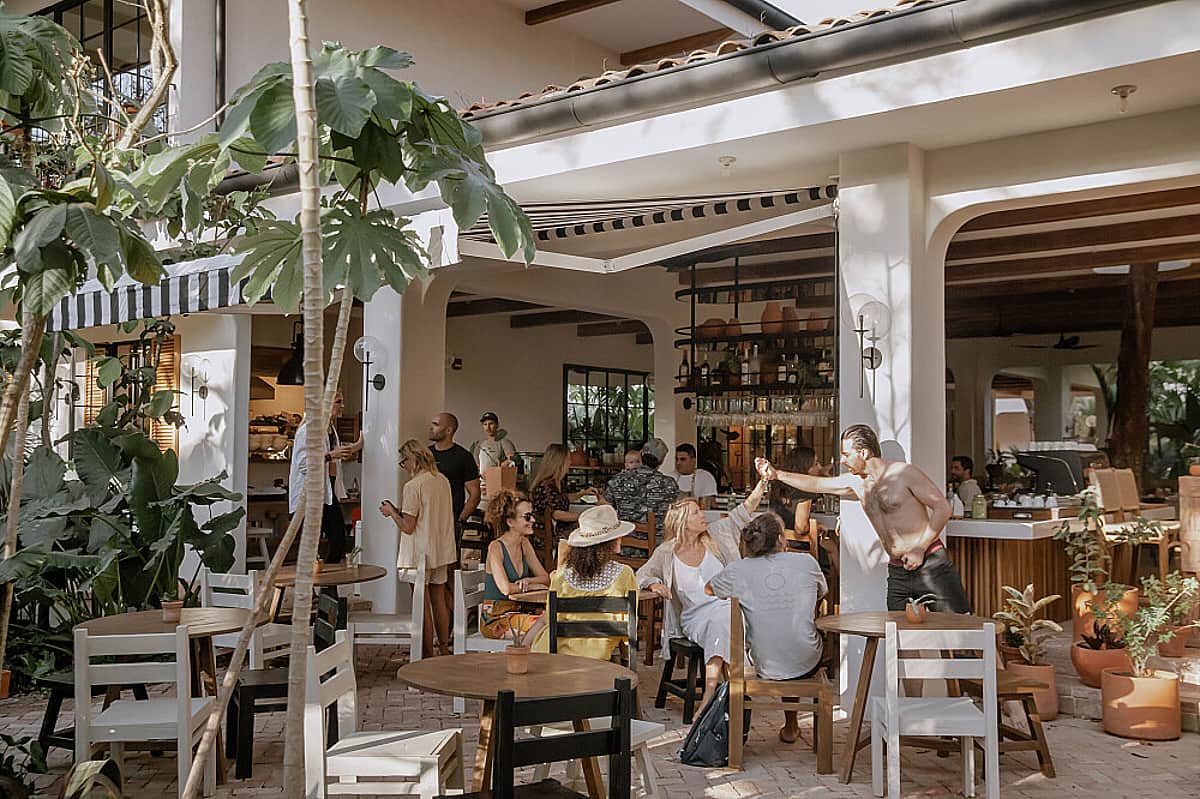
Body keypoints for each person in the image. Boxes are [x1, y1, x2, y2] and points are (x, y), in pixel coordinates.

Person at [756, 424, 971, 614]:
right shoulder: (857, 484)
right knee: (898, 643)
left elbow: (942, 507)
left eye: (846, 454)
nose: (841, 460)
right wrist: (777, 475)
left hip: (930, 562)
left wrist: (920, 548)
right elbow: (817, 484)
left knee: (964, 635)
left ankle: (992, 662)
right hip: (898, 571)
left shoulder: (904, 474)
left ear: (864, 453)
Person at [636, 474, 770, 708]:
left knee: (726, 612)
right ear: (682, 522)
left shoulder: (716, 537)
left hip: (726, 609)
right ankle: (732, 689)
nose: (702, 515)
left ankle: (710, 697)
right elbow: (640, 575)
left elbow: (744, 510)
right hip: (693, 617)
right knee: (725, 618)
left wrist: (762, 483)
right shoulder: (667, 552)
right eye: (696, 512)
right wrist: (654, 584)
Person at [705, 511, 826, 743]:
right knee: (798, 639)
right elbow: (822, 592)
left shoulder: (738, 570)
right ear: (781, 539)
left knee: (776, 639)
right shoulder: (806, 562)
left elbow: (709, 590)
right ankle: (791, 725)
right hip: (807, 658)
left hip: (766, 661)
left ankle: (787, 726)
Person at [528, 505, 639, 661]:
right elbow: (629, 624)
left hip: (554, 653)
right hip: (597, 655)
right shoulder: (624, 574)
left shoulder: (561, 574)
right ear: (611, 541)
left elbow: (549, 618)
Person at [379, 440, 459, 657]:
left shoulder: (413, 486)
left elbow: (408, 525)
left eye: (403, 462)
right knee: (439, 600)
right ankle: (443, 648)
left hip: (418, 554)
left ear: (412, 459)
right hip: (441, 550)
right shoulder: (442, 480)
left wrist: (391, 512)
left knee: (421, 606)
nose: (403, 466)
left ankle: (425, 655)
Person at [289, 390, 360, 564]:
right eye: (338, 401)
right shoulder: (309, 430)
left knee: (339, 540)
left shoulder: (331, 429)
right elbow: (304, 464)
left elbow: (335, 455)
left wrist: (358, 445)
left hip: (327, 493)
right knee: (311, 545)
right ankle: (314, 586)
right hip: (310, 495)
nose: (342, 405)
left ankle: (328, 586)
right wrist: (330, 456)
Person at [478, 489, 550, 640]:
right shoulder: (496, 547)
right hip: (496, 618)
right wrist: (532, 586)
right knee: (545, 626)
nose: (533, 521)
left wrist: (529, 581)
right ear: (510, 522)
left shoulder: (524, 543)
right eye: (527, 517)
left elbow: (545, 578)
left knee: (554, 620)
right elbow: (506, 588)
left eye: (532, 515)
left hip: (519, 611)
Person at [600, 438, 678, 542]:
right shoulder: (669, 484)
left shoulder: (618, 480)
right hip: (657, 550)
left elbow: (603, 508)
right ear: (662, 460)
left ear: (641, 454)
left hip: (622, 546)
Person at [428, 412, 481, 555]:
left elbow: (475, 494)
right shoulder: (425, 455)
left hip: (450, 518)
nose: (431, 427)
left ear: (449, 430)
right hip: (426, 519)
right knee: (424, 563)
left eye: (436, 424)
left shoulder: (463, 457)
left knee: (449, 564)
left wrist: (460, 519)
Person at [529, 444, 590, 545]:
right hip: (549, 535)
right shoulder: (547, 486)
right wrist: (583, 516)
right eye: (568, 459)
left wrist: (582, 493)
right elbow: (556, 514)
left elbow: (563, 499)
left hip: (557, 530)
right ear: (559, 463)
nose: (570, 462)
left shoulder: (558, 483)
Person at [769, 446, 819, 534]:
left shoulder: (777, 485)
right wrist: (818, 527)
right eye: (815, 463)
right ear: (806, 467)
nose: (819, 467)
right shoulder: (805, 489)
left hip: (777, 541)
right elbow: (800, 528)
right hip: (797, 545)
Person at [669, 443, 718, 509]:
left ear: (693, 460)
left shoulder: (705, 477)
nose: (678, 463)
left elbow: (709, 504)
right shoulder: (669, 477)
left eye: (683, 459)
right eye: (676, 459)